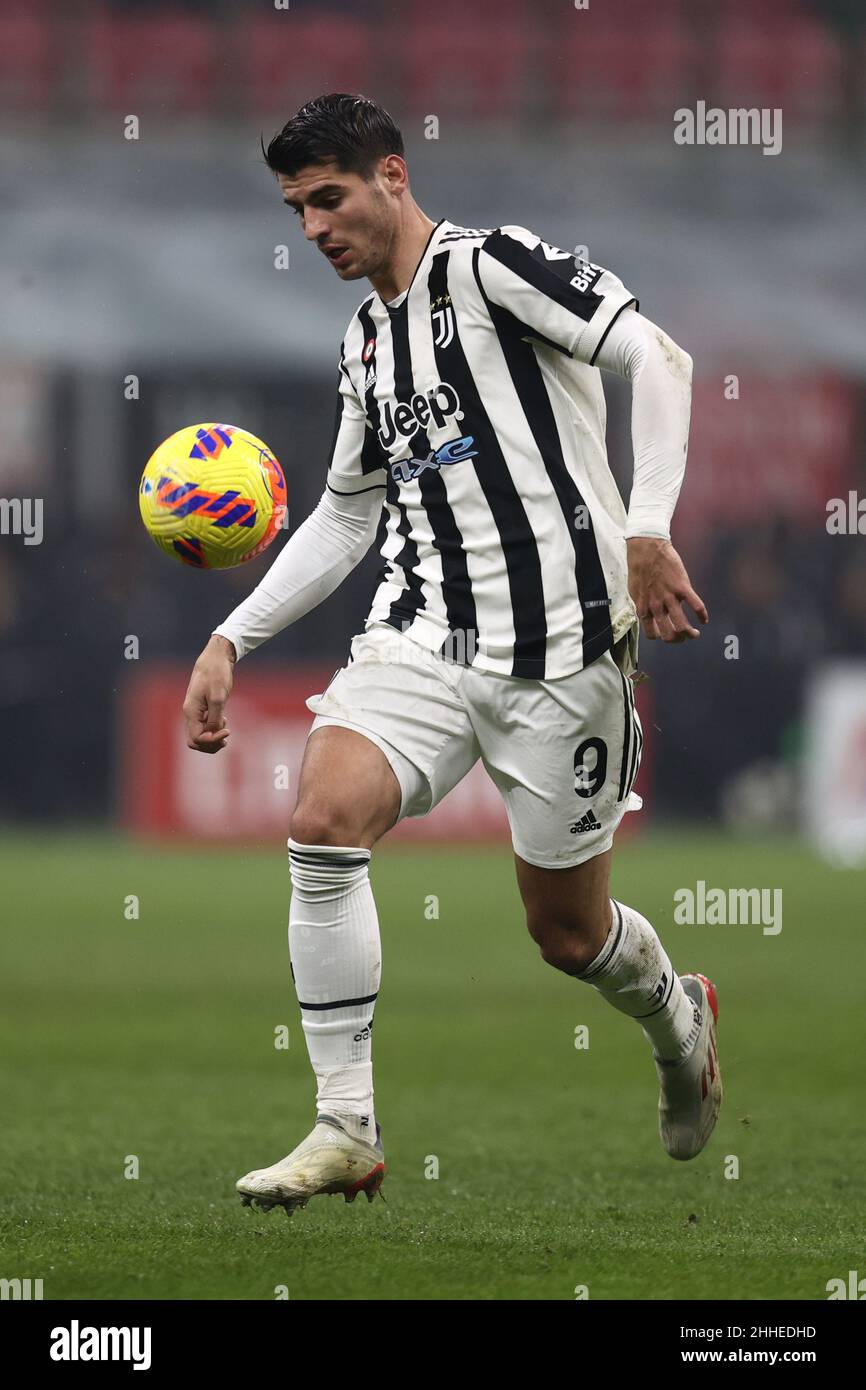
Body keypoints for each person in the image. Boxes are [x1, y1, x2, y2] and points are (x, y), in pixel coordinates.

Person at [182, 93, 721, 1217]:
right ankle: (345, 1127)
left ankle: (677, 1018)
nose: (314, 228)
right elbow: (342, 516)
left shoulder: (495, 269)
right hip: (421, 632)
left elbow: (657, 359)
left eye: (327, 199)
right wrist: (232, 636)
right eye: (295, 210)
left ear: (390, 175)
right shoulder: (365, 342)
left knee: (566, 936)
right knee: (321, 817)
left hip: (565, 654)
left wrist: (645, 528)